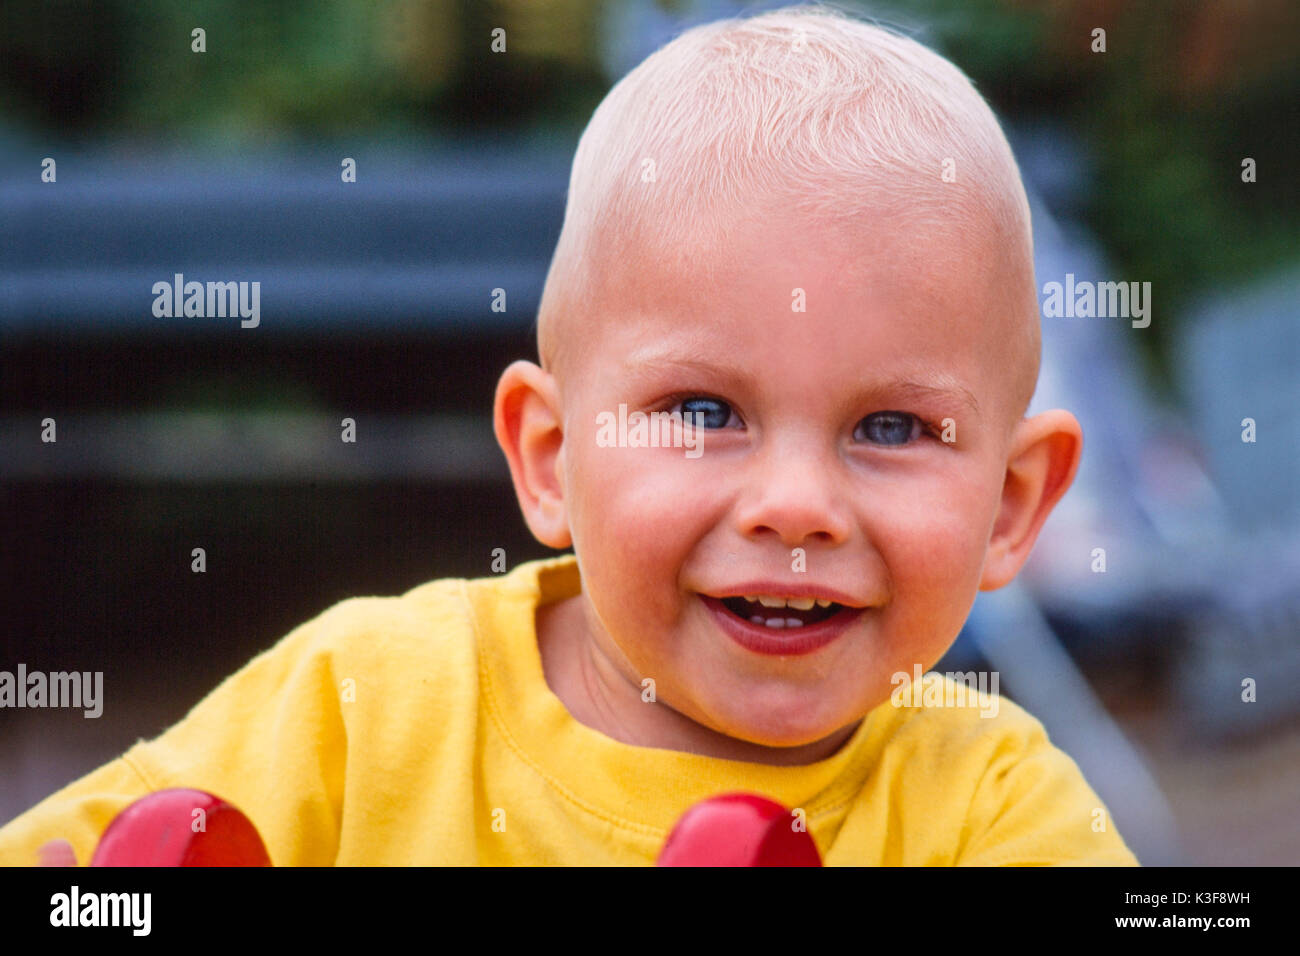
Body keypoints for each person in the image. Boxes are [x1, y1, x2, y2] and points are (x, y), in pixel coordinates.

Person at [0, 4, 1138, 866]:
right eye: (702, 412)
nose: (795, 505)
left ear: (1009, 502)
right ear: (548, 455)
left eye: (889, 426)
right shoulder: (362, 703)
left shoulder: (994, 812)